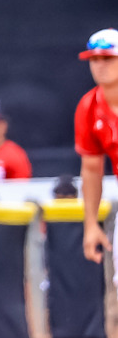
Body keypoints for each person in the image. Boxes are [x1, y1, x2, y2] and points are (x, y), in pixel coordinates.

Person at [74, 28, 118, 263]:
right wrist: (91, 225)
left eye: (108, 58)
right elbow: (91, 169)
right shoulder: (88, 106)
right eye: (94, 59)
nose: (100, 65)